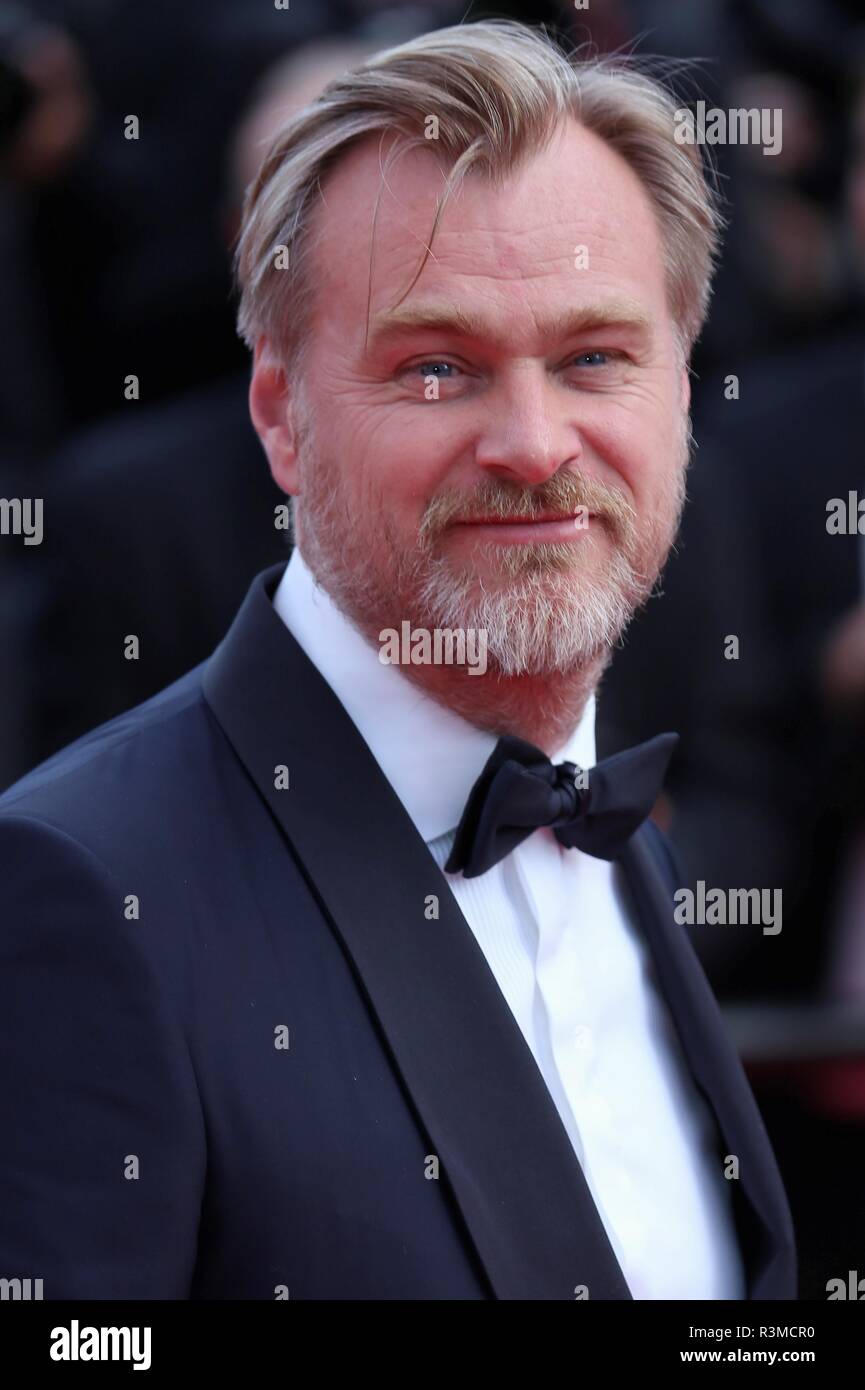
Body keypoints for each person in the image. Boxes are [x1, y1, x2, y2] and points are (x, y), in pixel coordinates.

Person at [0, 20, 795, 1300]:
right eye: (437, 368)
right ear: (280, 410)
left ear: (683, 390)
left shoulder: (624, 839)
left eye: (594, 357)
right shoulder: (85, 889)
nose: (534, 445)